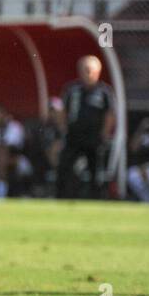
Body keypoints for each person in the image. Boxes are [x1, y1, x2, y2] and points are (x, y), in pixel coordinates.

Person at [54, 55, 116, 200]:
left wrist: (104, 134)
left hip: (94, 138)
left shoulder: (104, 92)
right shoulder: (72, 90)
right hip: (74, 136)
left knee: (95, 170)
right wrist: (64, 129)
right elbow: (63, 111)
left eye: (88, 70)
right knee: (64, 166)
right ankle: (61, 197)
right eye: (83, 70)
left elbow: (110, 115)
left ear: (97, 71)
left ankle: (95, 199)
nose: (86, 74)